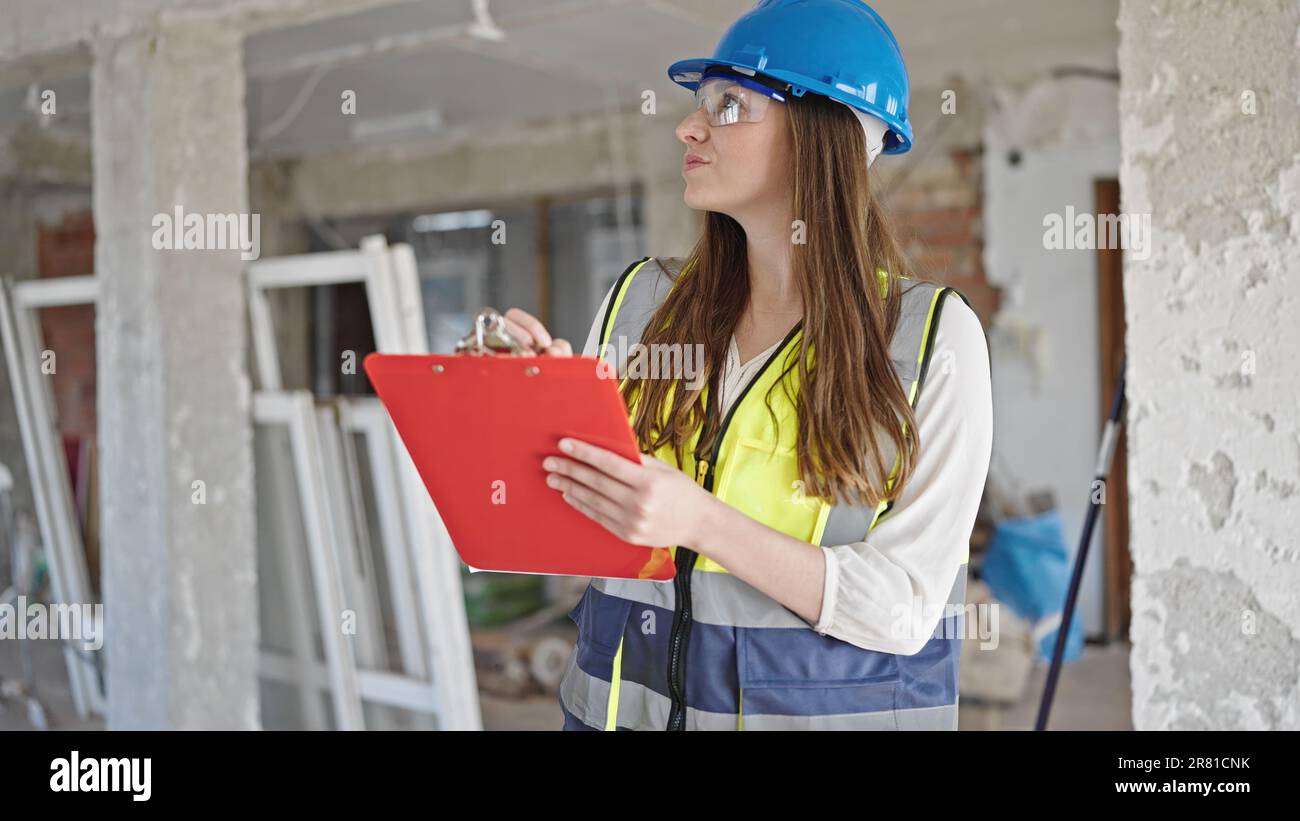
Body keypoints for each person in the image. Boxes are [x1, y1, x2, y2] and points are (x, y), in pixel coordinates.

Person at [502, 0, 992, 731]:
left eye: (730, 105)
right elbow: (588, 534)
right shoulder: (640, 303)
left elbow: (903, 608)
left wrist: (700, 521)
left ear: (822, 135)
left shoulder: (930, 339)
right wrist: (543, 419)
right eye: (699, 103)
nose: (688, 127)